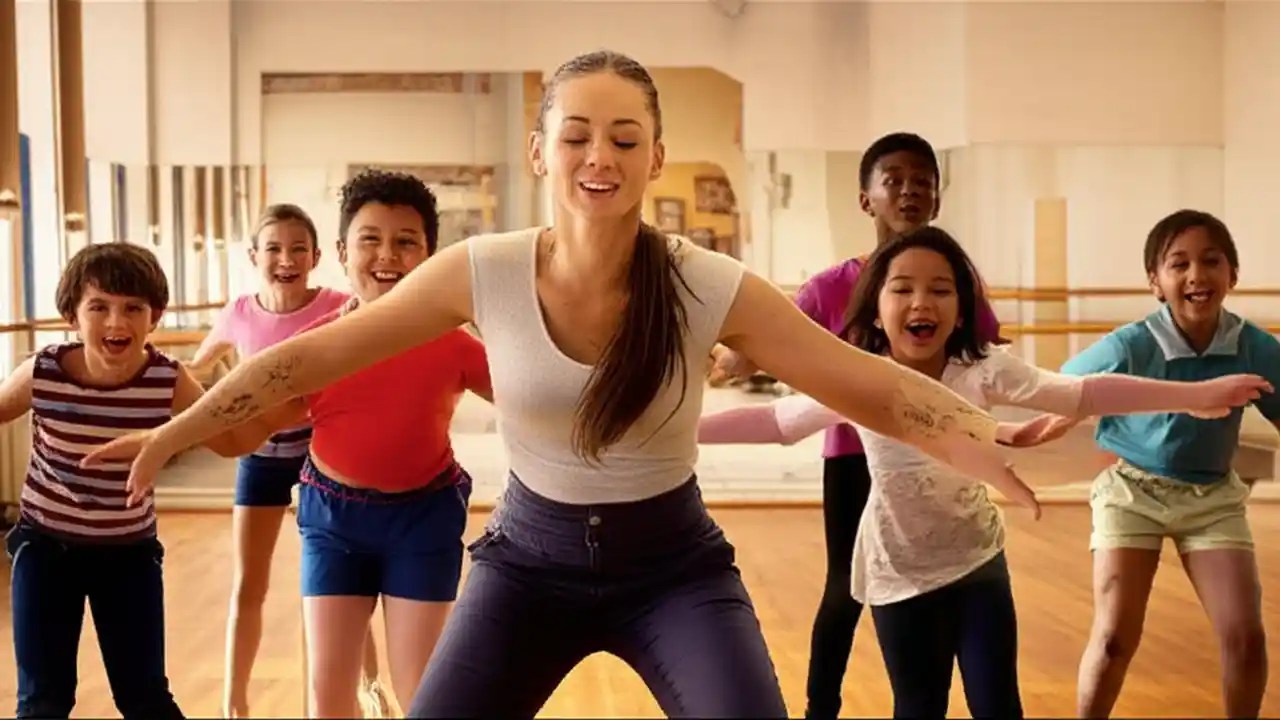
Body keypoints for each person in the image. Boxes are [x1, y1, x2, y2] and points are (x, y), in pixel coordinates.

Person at [84, 50, 1041, 719]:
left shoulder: (707, 283)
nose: (600, 159)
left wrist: (980, 439)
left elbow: (864, 382)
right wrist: (175, 432)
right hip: (527, 567)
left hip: (674, 569)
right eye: (577, 136)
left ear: (655, 156)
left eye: (625, 139)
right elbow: (311, 357)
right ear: (542, 150)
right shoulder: (483, 270)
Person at [695, 227, 1270, 719]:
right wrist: (679, 428)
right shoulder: (860, 377)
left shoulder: (982, 368)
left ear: (962, 308)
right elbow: (778, 422)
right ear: (876, 307)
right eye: (903, 289)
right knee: (919, 707)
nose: (922, 302)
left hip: (977, 563)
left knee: (998, 706)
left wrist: (1194, 394)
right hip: (899, 571)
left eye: (941, 290)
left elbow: (1082, 393)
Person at [710, 131, 1002, 719]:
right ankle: (821, 708)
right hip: (852, 456)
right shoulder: (830, 286)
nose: (909, 192)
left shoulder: (957, 281)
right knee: (845, 587)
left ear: (937, 199)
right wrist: (722, 356)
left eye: (922, 182)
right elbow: (763, 343)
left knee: (941, 580)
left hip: (934, 460)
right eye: (894, 181)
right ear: (867, 199)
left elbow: (986, 353)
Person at [218, 170, 493, 717]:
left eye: (405, 241)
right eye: (371, 239)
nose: (387, 255)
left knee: (422, 695)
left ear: (430, 255)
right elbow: (247, 427)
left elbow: (533, 406)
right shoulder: (315, 347)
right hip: (334, 522)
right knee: (328, 698)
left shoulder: (456, 345)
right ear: (343, 253)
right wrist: (171, 421)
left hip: (424, 520)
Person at [0, 244, 286, 719]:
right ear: (72, 316)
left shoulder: (166, 379)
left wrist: (289, 404)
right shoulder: (43, 372)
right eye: (99, 307)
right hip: (45, 548)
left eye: (133, 308)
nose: (117, 322)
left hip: (127, 555)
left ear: (154, 318)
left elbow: (230, 440)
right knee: (42, 702)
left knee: (144, 697)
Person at [1060, 210, 1275, 719]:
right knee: (1114, 637)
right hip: (1131, 493)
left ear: (1233, 274)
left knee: (1245, 637)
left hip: (1213, 498)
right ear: (1155, 282)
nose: (1196, 275)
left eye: (1211, 261)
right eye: (1179, 264)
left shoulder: (1253, 346)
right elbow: (1062, 388)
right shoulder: (1130, 343)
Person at [187, 204, 376, 719]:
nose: (286, 259)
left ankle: (371, 695)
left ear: (316, 257)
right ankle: (234, 703)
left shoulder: (340, 305)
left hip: (323, 458)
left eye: (298, 249)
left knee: (343, 587)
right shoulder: (238, 312)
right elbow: (194, 371)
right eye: (274, 248)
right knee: (249, 583)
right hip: (261, 459)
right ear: (254, 256)